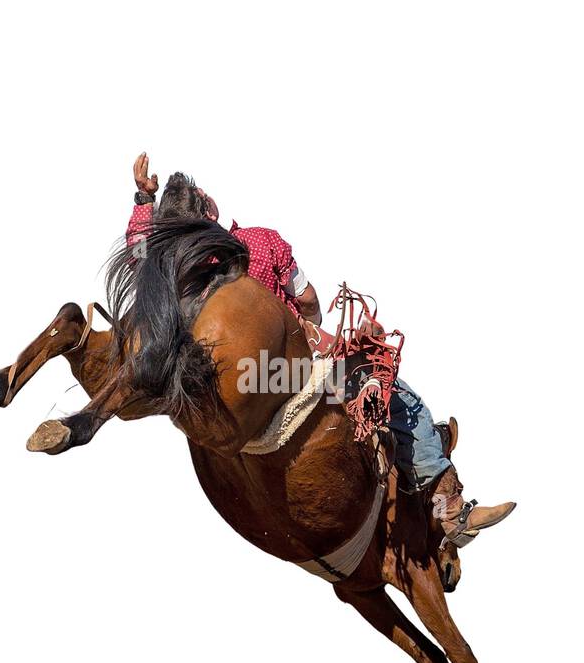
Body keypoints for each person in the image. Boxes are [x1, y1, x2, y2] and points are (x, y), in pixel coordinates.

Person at [127, 153, 514, 547]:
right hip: (287, 368)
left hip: (219, 385)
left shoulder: (168, 271)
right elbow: (309, 300)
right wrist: (312, 327)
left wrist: (144, 201)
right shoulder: (260, 242)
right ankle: (450, 509)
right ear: (207, 205)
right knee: (398, 396)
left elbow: (137, 251)